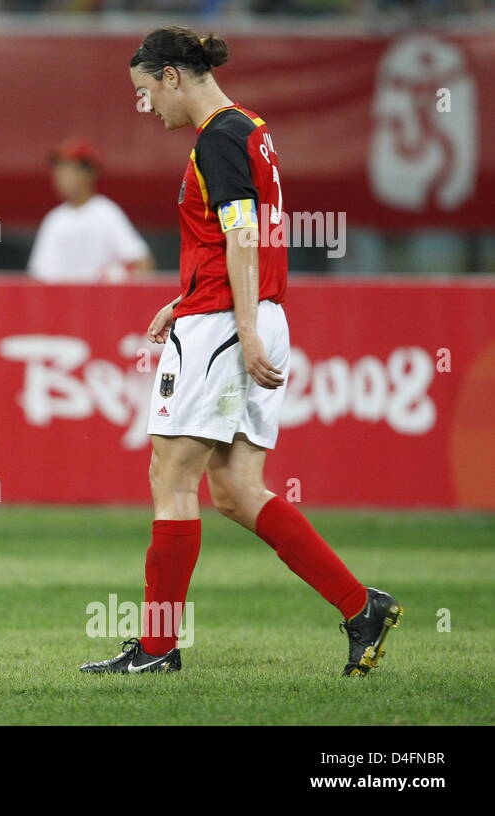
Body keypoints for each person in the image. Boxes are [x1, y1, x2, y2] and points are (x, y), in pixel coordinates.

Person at [80, 26, 401, 676]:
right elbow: (237, 237)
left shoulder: (217, 139)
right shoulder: (252, 128)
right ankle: (360, 606)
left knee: (171, 478)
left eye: (147, 92)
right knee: (234, 489)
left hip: (229, 324)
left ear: (173, 76)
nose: (149, 108)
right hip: (244, 312)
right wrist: (196, 298)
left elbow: (243, 233)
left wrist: (239, 325)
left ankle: (158, 645)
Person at [26, 138, 154, 283]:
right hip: (60, 301)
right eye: (59, 169)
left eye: (70, 169)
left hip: (97, 301)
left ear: (90, 174)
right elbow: (38, 276)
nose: (61, 176)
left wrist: (117, 280)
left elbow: (143, 263)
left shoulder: (106, 212)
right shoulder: (54, 219)